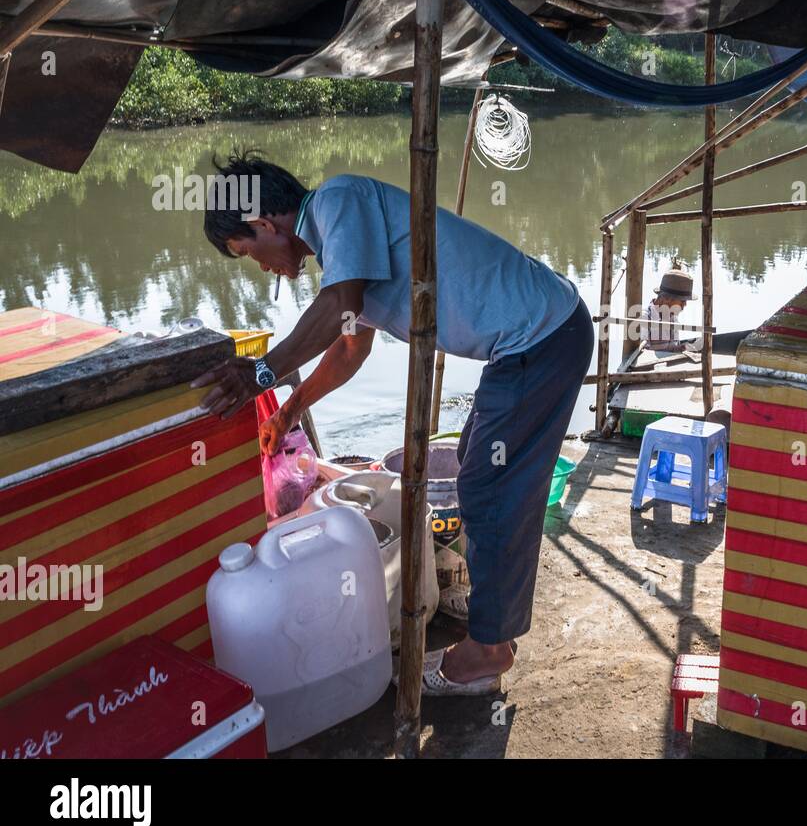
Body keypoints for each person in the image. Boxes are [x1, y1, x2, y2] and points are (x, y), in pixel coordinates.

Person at [191, 150, 592, 695]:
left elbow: (340, 305)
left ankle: (487, 650)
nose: (263, 266)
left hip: (540, 339)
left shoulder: (337, 201)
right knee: (485, 475)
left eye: (249, 252)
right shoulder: (341, 249)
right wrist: (290, 405)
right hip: (530, 343)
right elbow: (350, 347)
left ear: (265, 223)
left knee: (489, 487)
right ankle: (494, 634)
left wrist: (260, 372)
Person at [639, 268, 694, 349]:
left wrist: (678, 348)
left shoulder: (673, 317)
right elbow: (643, 352)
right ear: (667, 298)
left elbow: (673, 346)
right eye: (682, 301)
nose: (684, 306)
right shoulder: (645, 317)